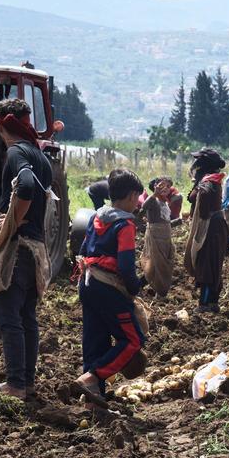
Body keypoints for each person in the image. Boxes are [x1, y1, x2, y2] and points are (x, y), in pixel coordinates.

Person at [0, 98, 54, 398]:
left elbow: (25, 186)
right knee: (27, 315)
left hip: (18, 246)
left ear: (2, 124)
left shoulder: (15, 151)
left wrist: (11, 222)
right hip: (37, 246)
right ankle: (26, 382)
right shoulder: (39, 154)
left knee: (7, 312)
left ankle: (15, 384)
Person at [73, 169, 147, 400]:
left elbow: (83, 250)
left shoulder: (97, 217)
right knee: (133, 339)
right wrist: (135, 287)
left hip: (87, 284)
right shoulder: (124, 225)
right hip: (108, 288)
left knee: (95, 340)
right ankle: (92, 377)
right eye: (137, 198)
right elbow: (125, 266)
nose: (137, 204)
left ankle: (94, 400)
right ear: (131, 196)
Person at [184, 148, 229, 313]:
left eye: (198, 162)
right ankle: (210, 302)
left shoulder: (208, 181)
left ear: (204, 164)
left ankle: (206, 304)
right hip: (213, 226)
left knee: (207, 265)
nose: (195, 164)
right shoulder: (210, 179)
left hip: (211, 228)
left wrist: (200, 190)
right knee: (210, 264)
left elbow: (204, 195)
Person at [141, 176, 176, 296]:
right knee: (157, 263)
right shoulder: (153, 200)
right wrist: (155, 194)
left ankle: (155, 288)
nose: (165, 188)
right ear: (155, 186)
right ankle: (158, 290)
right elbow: (143, 207)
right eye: (162, 185)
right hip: (156, 236)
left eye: (168, 186)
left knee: (164, 262)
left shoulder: (164, 201)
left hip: (165, 236)